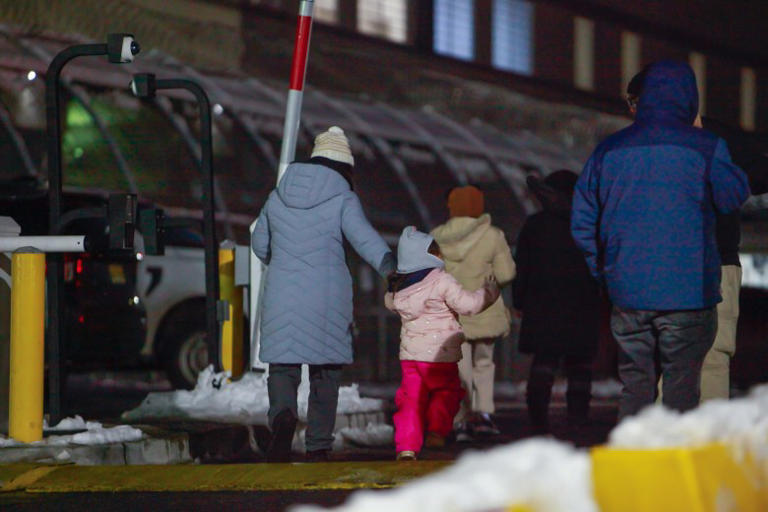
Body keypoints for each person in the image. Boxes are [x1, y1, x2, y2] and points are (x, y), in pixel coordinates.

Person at [571, 61, 750, 420]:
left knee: (635, 383)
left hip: (628, 292)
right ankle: (673, 466)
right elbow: (733, 196)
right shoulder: (705, 146)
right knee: (681, 386)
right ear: (690, 99)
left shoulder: (608, 150)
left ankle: (634, 465)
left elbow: (582, 223)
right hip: (689, 292)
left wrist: (606, 274)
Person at [251, 126, 395, 462]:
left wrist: (284, 260)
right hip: (326, 301)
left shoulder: (278, 194)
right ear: (345, 165)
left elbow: (260, 244)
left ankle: (283, 416)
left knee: (283, 368)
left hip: (282, 296)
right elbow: (364, 239)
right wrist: (390, 267)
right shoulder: (343, 197)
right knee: (325, 373)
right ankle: (317, 444)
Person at [627, 70, 768, 401]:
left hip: (695, 264)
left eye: (635, 101)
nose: (632, 111)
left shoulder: (705, 142)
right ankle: (685, 443)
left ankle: (684, 441)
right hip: (689, 264)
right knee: (697, 359)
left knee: (693, 358)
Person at [385, 226, 499, 460]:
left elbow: (390, 303)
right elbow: (469, 305)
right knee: (447, 392)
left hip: (411, 359)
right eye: (436, 252)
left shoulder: (399, 287)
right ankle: (436, 430)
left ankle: (406, 447)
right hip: (440, 357)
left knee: (410, 402)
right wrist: (489, 292)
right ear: (426, 256)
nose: (440, 256)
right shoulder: (441, 280)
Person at [512, 171, 601, 433]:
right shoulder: (588, 225)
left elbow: (523, 267)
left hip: (543, 306)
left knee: (544, 362)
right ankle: (578, 417)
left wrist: (520, 301)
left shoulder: (535, 225)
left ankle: (538, 420)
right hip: (582, 305)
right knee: (580, 366)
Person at [431, 185, 516, 440]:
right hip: (484, 310)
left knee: (459, 368)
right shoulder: (493, 236)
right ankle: (484, 415)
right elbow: (506, 273)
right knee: (484, 364)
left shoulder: (437, 236)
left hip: (452, 313)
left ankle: (460, 420)